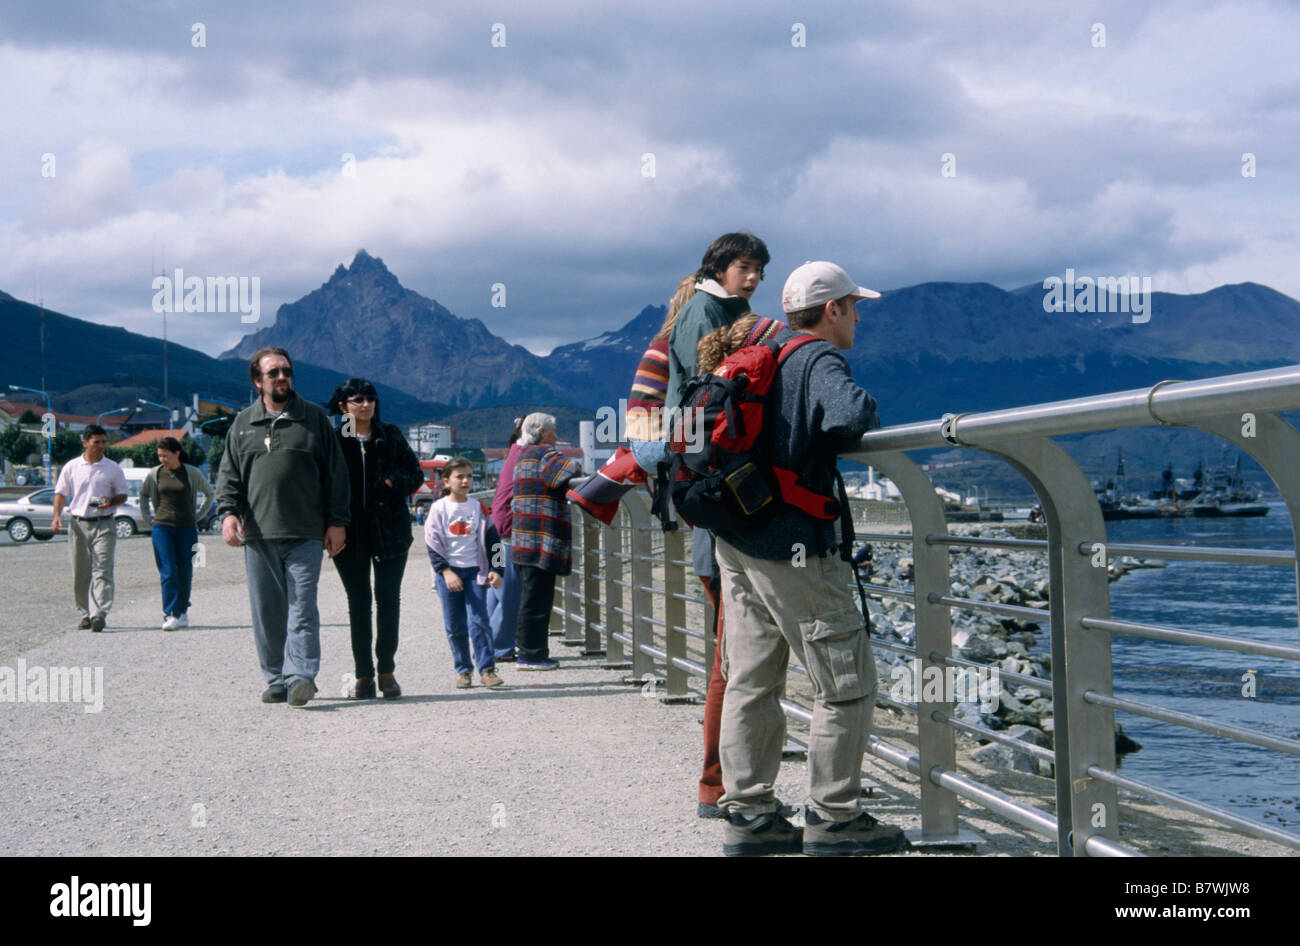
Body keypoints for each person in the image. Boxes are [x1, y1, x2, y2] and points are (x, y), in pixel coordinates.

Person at [715, 260, 908, 856]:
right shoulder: (817, 358)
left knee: (751, 678)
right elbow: (850, 415)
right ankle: (834, 818)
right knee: (846, 682)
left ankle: (749, 816)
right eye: (854, 308)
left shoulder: (760, 350)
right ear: (832, 309)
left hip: (737, 537)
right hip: (793, 546)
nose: (857, 319)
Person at [215, 347, 350, 707]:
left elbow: (336, 474)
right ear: (257, 380)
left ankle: (301, 676)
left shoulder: (314, 420)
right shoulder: (243, 424)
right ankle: (275, 677)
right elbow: (229, 476)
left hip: (306, 532)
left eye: (286, 371)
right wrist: (228, 513)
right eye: (273, 372)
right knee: (267, 610)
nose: (281, 377)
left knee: (303, 606)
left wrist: (337, 522)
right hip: (258, 534)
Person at [689, 311, 784, 820]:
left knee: (728, 667)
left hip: (709, 540)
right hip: (736, 544)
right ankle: (718, 788)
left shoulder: (711, 389)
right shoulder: (748, 387)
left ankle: (719, 784)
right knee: (733, 671)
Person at [327, 378, 424, 700]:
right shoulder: (334, 440)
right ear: (343, 406)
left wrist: (391, 483)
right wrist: (328, 525)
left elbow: (415, 474)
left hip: (391, 532)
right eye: (358, 399)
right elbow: (322, 484)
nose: (366, 404)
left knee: (388, 600)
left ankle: (386, 671)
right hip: (349, 532)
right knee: (358, 603)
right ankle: (363, 675)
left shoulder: (390, 435)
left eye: (371, 398)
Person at [511, 413, 583, 670]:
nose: (556, 436)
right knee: (538, 598)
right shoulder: (545, 454)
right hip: (541, 538)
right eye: (553, 431)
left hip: (523, 537)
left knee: (530, 596)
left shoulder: (523, 456)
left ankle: (529, 651)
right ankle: (531, 655)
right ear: (543, 432)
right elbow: (572, 471)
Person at [425, 456, 504, 688]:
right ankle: (463, 670)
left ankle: (487, 669)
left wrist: (497, 569)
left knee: (480, 621)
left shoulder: (478, 507)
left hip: (474, 572)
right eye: (460, 476)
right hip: (448, 573)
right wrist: (445, 571)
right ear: (447, 481)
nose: (465, 481)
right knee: (454, 624)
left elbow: (494, 541)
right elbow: (432, 544)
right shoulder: (439, 508)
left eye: (469, 476)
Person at [51, 425, 128, 632]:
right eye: (97, 442)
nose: (102, 446)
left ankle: (99, 613)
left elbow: (123, 494)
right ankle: (85, 613)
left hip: (104, 523)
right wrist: (57, 515)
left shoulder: (112, 468)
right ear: (85, 443)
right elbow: (61, 492)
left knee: (103, 569)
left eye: (104, 442)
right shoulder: (72, 467)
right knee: (80, 572)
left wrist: (111, 501)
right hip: (78, 524)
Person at [138, 437, 213, 630]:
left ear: (177, 453)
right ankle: (170, 614)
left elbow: (210, 494)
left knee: (185, 572)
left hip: (187, 528)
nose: (162, 459)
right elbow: (144, 494)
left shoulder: (192, 473)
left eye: (165, 455)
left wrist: (198, 516)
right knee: (168, 571)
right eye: (160, 455)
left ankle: (183, 611)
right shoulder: (155, 473)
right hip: (161, 527)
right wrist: (148, 518)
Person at [487, 418, 525, 662]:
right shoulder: (526, 455)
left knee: (496, 587)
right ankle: (501, 647)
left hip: (496, 529)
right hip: (509, 532)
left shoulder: (513, 453)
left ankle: (487, 640)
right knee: (510, 593)